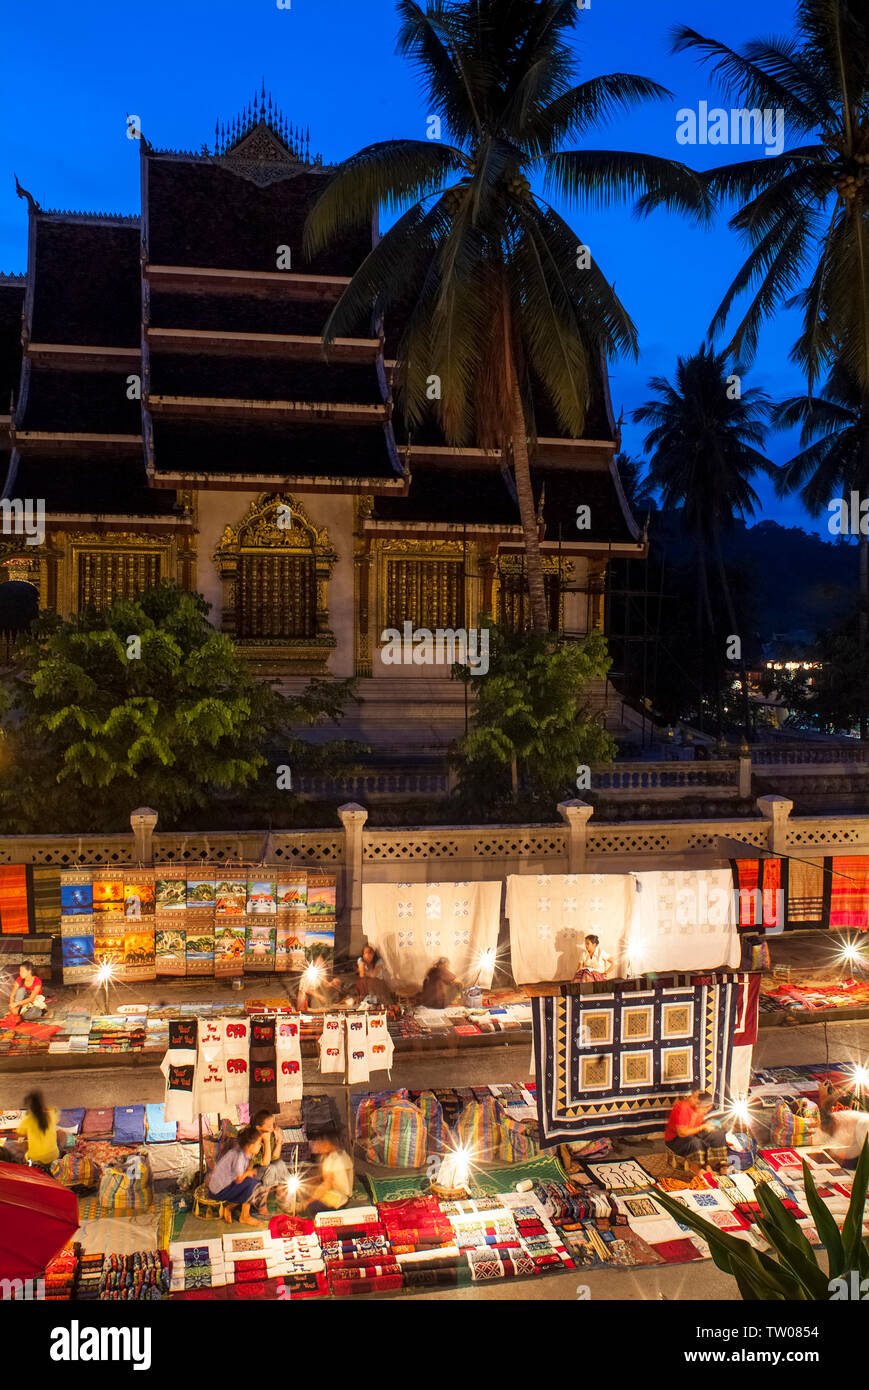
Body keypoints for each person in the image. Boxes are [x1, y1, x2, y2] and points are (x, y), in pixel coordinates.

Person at [207, 1125, 264, 1226]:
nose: (261, 1145)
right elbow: (239, 1179)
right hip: (218, 1192)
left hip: (221, 1187)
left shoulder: (245, 1152)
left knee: (253, 1181)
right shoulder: (239, 1156)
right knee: (253, 1184)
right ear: (250, 1145)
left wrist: (249, 1171)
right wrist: (249, 1173)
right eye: (259, 1143)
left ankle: (229, 1207)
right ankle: (244, 1217)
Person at [664, 1090, 729, 1173]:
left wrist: (706, 1126)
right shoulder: (682, 1108)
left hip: (693, 1133)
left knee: (718, 1134)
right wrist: (701, 1127)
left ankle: (717, 1164)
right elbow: (682, 1133)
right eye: (704, 1108)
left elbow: (698, 1126)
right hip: (675, 1140)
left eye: (707, 1108)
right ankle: (697, 1169)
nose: (705, 1111)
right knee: (696, 1143)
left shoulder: (701, 1109)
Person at [249, 1108, 294, 1214]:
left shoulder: (271, 1134)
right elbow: (265, 1162)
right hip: (252, 1172)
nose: (272, 1128)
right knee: (271, 1169)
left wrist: (279, 1141)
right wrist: (266, 1140)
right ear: (258, 1128)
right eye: (269, 1126)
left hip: (265, 1166)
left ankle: (282, 1197)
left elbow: (275, 1157)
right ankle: (261, 1205)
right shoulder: (253, 1139)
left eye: (273, 1125)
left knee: (280, 1164)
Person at [303, 1128, 353, 1216]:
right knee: (308, 1189)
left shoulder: (332, 1160)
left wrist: (310, 1200)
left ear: (327, 1144)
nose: (317, 1145)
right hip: (345, 1195)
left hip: (338, 1199)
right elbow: (321, 1178)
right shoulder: (343, 1154)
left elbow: (326, 1184)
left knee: (311, 1205)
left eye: (319, 1143)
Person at [15, 1090, 63, 1170]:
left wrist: (25, 1143)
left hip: (36, 1158)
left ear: (29, 1107)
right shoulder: (51, 1114)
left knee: (20, 1147)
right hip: (53, 1155)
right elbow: (55, 1111)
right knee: (61, 1134)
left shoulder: (27, 1120)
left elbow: (19, 1136)